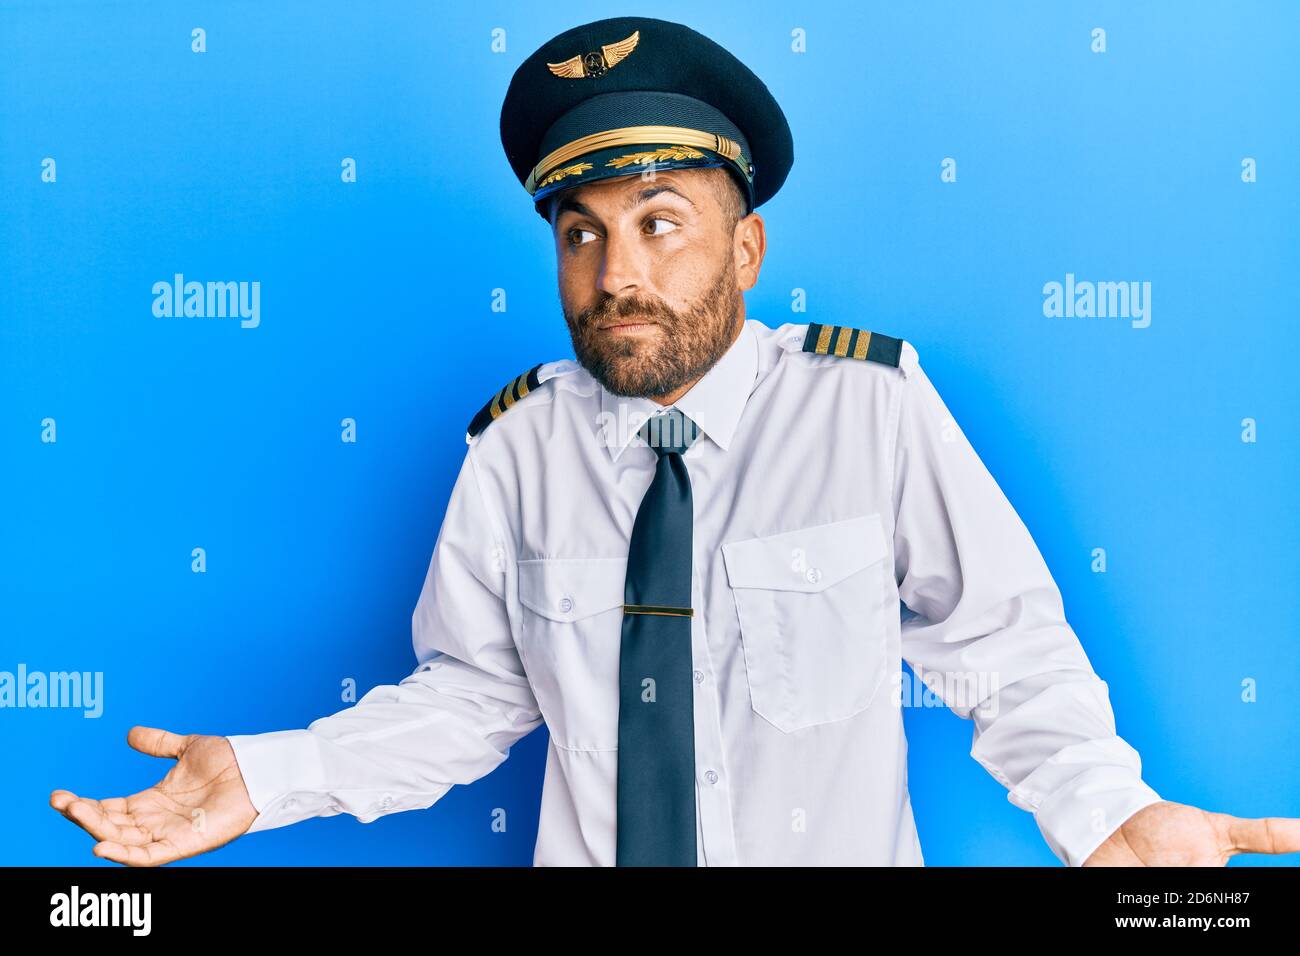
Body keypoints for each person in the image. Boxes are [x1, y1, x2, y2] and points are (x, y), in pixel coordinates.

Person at [52, 15, 1299, 867]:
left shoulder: (869, 404)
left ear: (745, 249)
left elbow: (999, 642)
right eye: (581, 231)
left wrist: (1106, 813)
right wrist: (266, 778)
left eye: (659, 221)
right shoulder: (514, 448)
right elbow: (476, 694)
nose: (615, 272)